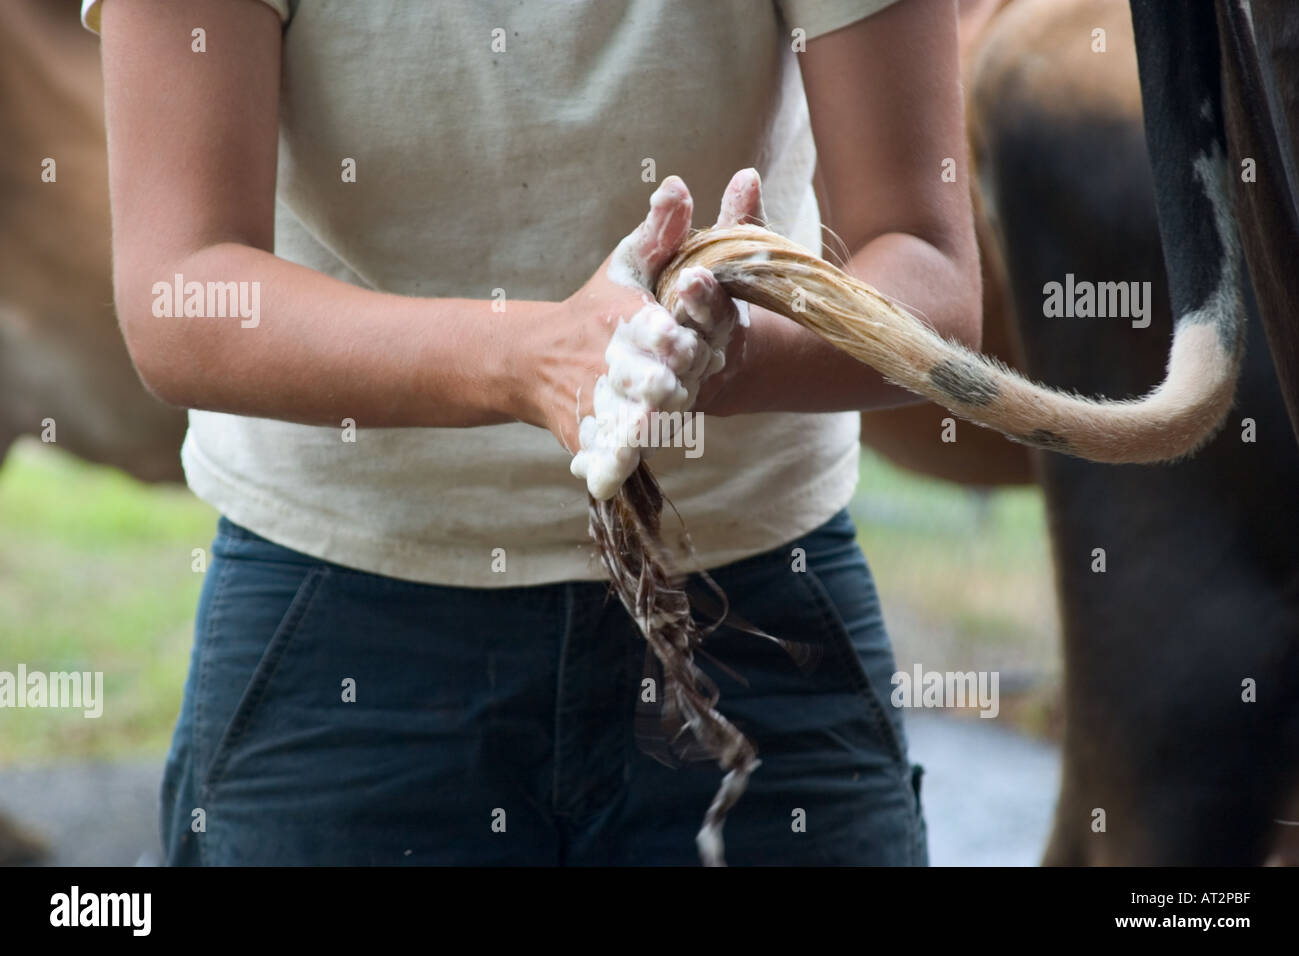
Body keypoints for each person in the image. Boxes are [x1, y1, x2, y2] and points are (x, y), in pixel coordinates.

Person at [84, 0, 980, 864]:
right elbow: (182, 291)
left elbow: (925, 267)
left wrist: (716, 356)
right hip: (345, 626)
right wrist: (526, 358)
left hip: (752, 610)